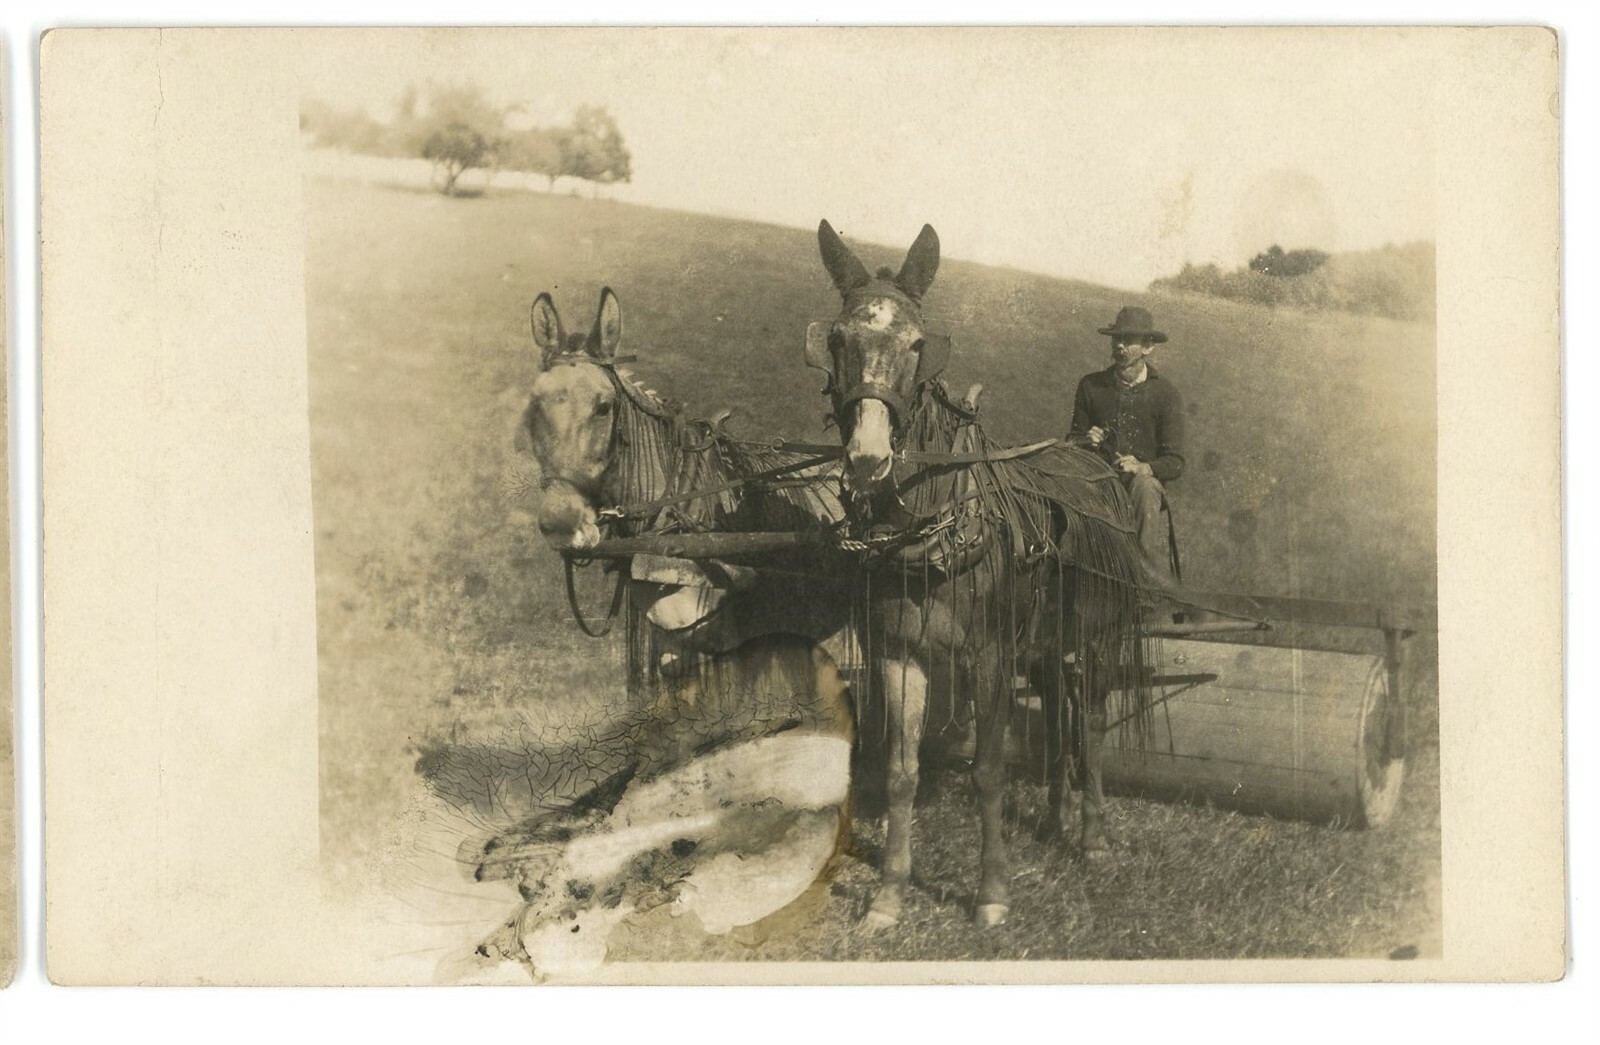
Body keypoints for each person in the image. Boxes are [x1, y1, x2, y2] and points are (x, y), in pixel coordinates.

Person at [1068, 305, 1185, 587]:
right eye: (1115, 339)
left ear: (1148, 347)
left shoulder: (1165, 394)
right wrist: (1086, 440)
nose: (1119, 346)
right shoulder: (1091, 386)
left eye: (1128, 340)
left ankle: (1137, 583)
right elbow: (1070, 442)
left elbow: (1176, 462)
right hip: (1098, 482)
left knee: (1145, 487)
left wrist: (1144, 467)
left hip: (1138, 488)